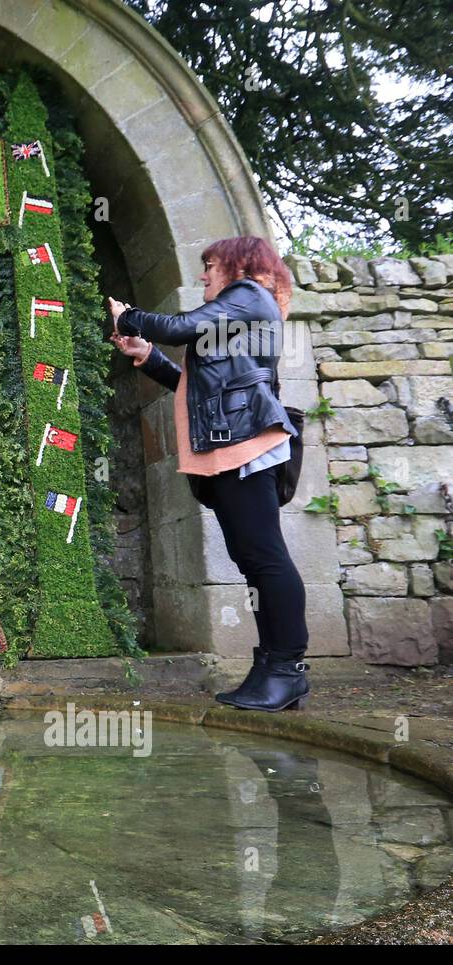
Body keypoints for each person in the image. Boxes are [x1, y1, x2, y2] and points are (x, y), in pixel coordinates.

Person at [107, 236, 309, 712]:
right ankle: (271, 668)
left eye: (210, 265)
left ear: (238, 267)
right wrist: (147, 355)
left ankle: (287, 669)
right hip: (231, 447)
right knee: (253, 560)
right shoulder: (234, 316)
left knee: (265, 558)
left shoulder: (247, 294)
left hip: (247, 445)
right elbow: (194, 387)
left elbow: (180, 327)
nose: (203, 275)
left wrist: (129, 316)